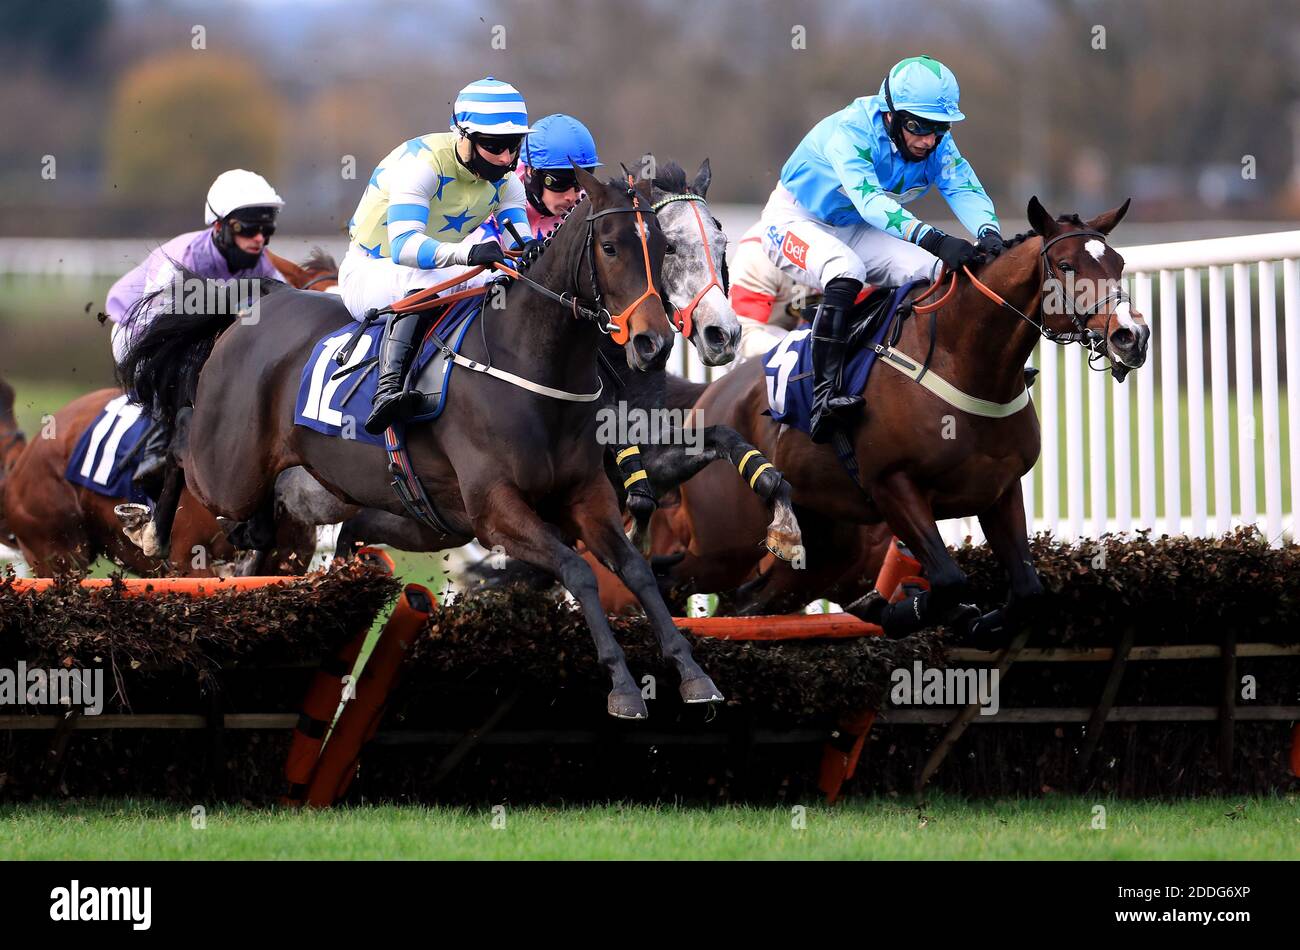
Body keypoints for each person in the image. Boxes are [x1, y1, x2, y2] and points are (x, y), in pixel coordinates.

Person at [758, 54, 1003, 442]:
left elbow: (963, 187)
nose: (928, 140)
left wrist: (988, 232)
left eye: (939, 128)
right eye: (918, 127)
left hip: (854, 226)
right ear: (891, 115)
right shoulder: (851, 132)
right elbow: (872, 202)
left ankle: (975, 368)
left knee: (938, 271)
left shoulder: (937, 142)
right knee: (846, 269)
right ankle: (824, 397)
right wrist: (937, 239)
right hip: (794, 221)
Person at [338, 76, 534, 435]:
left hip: (433, 274)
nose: (507, 158)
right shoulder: (422, 165)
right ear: (465, 136)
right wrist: (469, 252)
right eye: (495, 145)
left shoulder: (508, 182)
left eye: (514, 145)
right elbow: (405, 247)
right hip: (371, 270)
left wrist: (532, 252)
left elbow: (523, 241)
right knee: (428, 278)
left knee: (505, 281)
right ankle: (388, 390)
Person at [105, 168, 285, 488]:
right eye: (249, 229)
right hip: (136, 333)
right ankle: (156, 451)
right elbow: (151, 331)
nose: (259, 239)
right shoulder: (180, 260)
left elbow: (283, 309)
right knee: (191, 366)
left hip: (189, 338)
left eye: (266, 229)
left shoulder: (257, 261)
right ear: (219, 227)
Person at [478, 113, 601, 244]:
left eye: (581, 184)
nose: (572, 197)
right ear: (531, 173)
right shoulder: (486, 199)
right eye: (560, 183)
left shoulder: (588, 210)